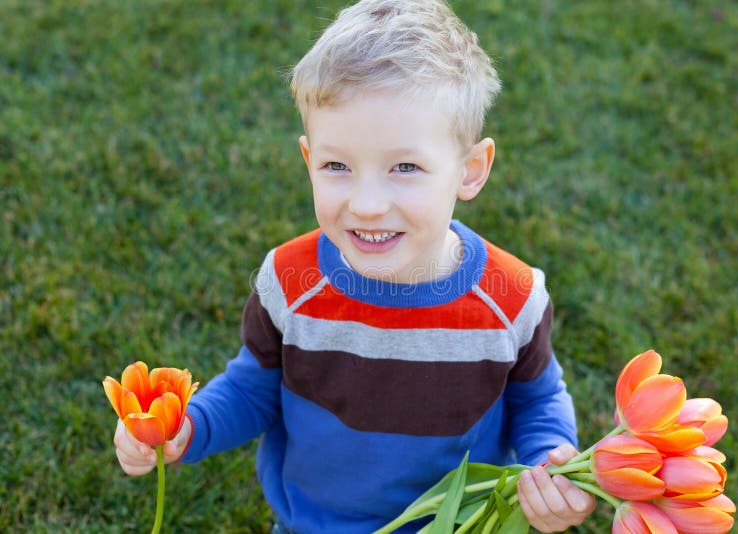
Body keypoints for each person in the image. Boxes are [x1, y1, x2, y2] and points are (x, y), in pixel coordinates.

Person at [112, 1, 595, 532]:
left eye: (405, 167)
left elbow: (538, 399)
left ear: (470, 169)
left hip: (457, 523)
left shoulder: (511, 298)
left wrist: (550, 465)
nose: (366, 204)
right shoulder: (289, 282)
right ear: (307, 161)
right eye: (337, 166)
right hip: (315, 522)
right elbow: (254, 387)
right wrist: (188, 429)